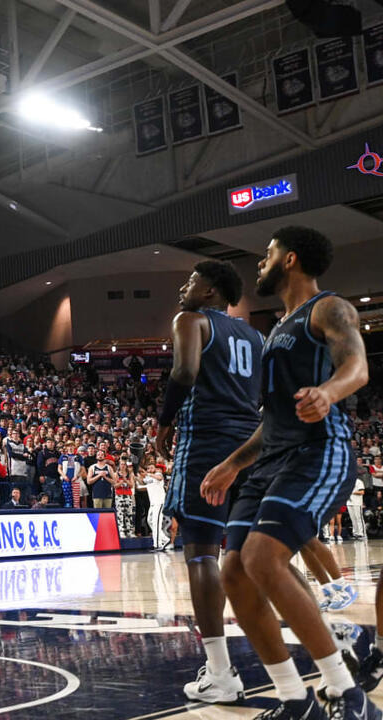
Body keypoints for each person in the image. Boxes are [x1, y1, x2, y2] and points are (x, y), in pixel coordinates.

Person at [202, 226, 375, 718]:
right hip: (272, 459)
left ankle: (348, 694)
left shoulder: (328, 309)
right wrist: (232, 464)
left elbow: (357, 367)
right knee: (233, 570)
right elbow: (272, 421)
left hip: (319, 451)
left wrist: (329, 393)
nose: (260, 263)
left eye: (268, 254)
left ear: (291, 259)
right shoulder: (276, 328)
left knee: (261, 557)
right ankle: (294, 699)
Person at [154, 259, 263, 703]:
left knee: (201, 556)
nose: (184, 286)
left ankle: (220, 673)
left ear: (212, 290)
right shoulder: (256, 336)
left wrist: (163, 422)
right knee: (250, 559)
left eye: (191, 280)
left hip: (206, 447)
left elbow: (184, 372)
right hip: (251, 450)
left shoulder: (191, 320)